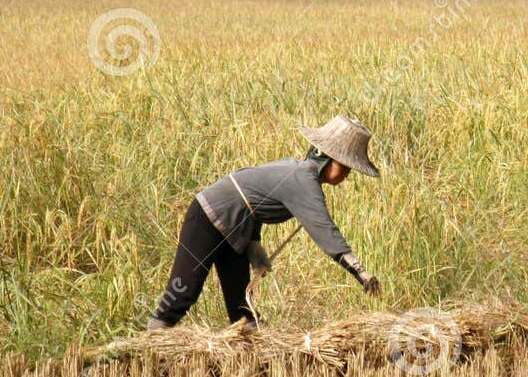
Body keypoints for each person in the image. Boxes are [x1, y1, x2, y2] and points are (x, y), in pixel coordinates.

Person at [146, 115, 382, 330]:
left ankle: (253, 363)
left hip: (235, 229)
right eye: (345, 166)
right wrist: (360, 271)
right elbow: (325, 230)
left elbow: (250, 202)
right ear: (327, 158)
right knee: (184, 292)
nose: (346, 174)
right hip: (208, 218)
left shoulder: (298, 172)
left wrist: (253, 247)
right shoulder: (303, 180)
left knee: (241, 309)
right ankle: (149, 346)